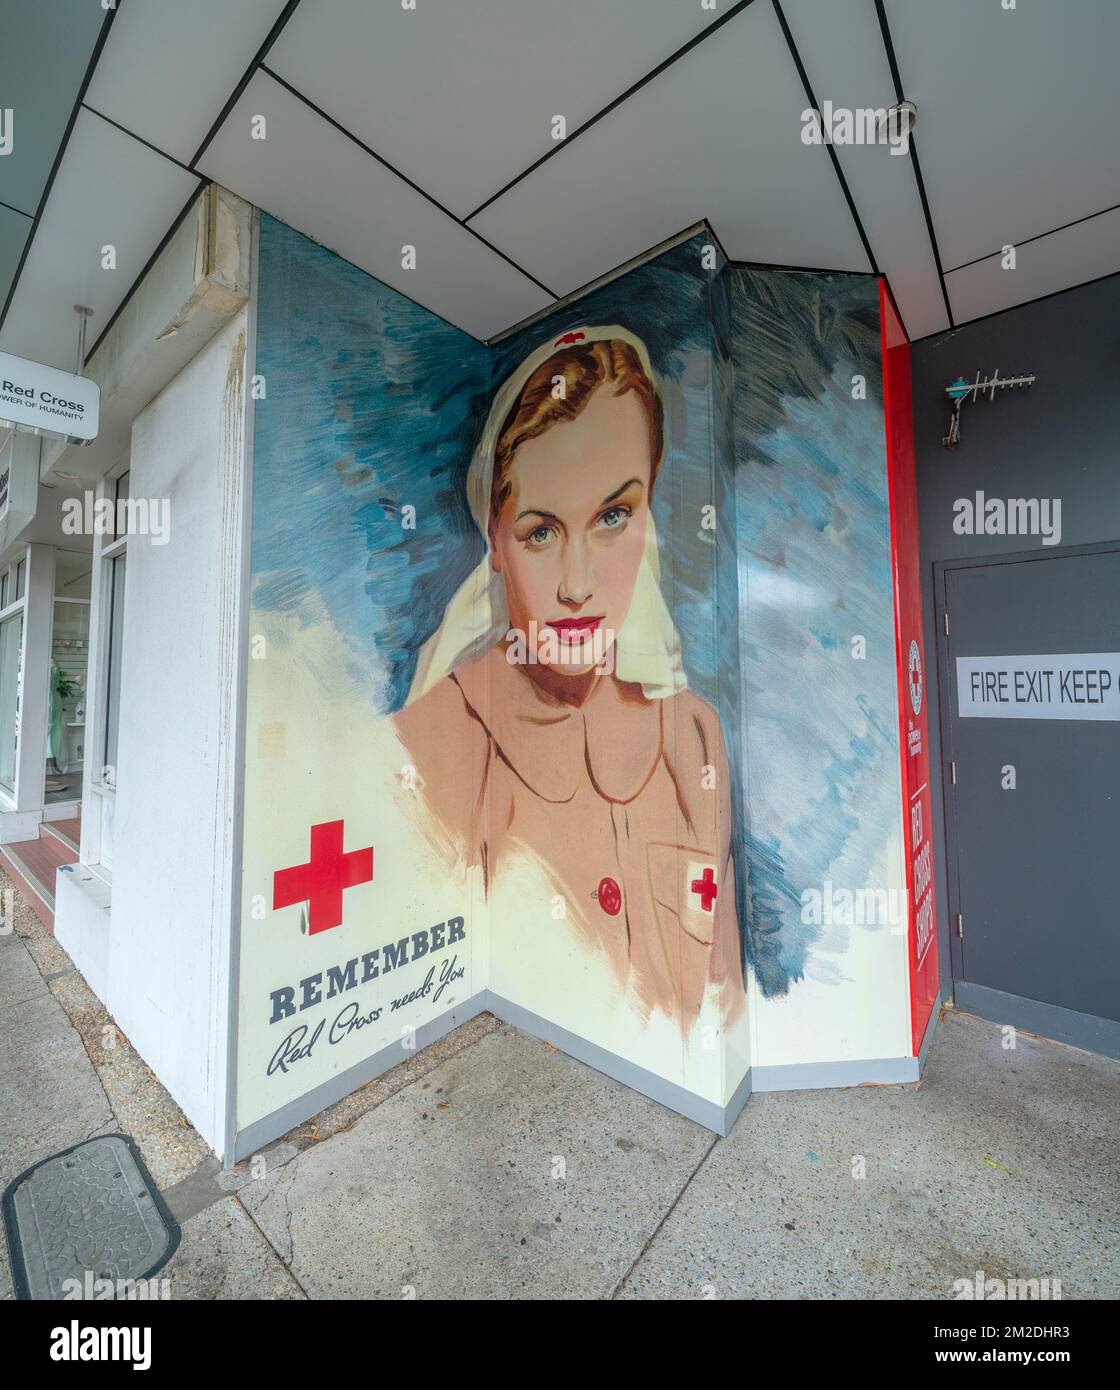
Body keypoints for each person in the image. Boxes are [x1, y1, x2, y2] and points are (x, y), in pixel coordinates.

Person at [393, 325, 743, 1029]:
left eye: (614, 516)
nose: (579, 586)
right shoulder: (424, 754)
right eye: (541, 532)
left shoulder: (696, 738)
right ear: (494, 538)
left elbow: (722, 1002)